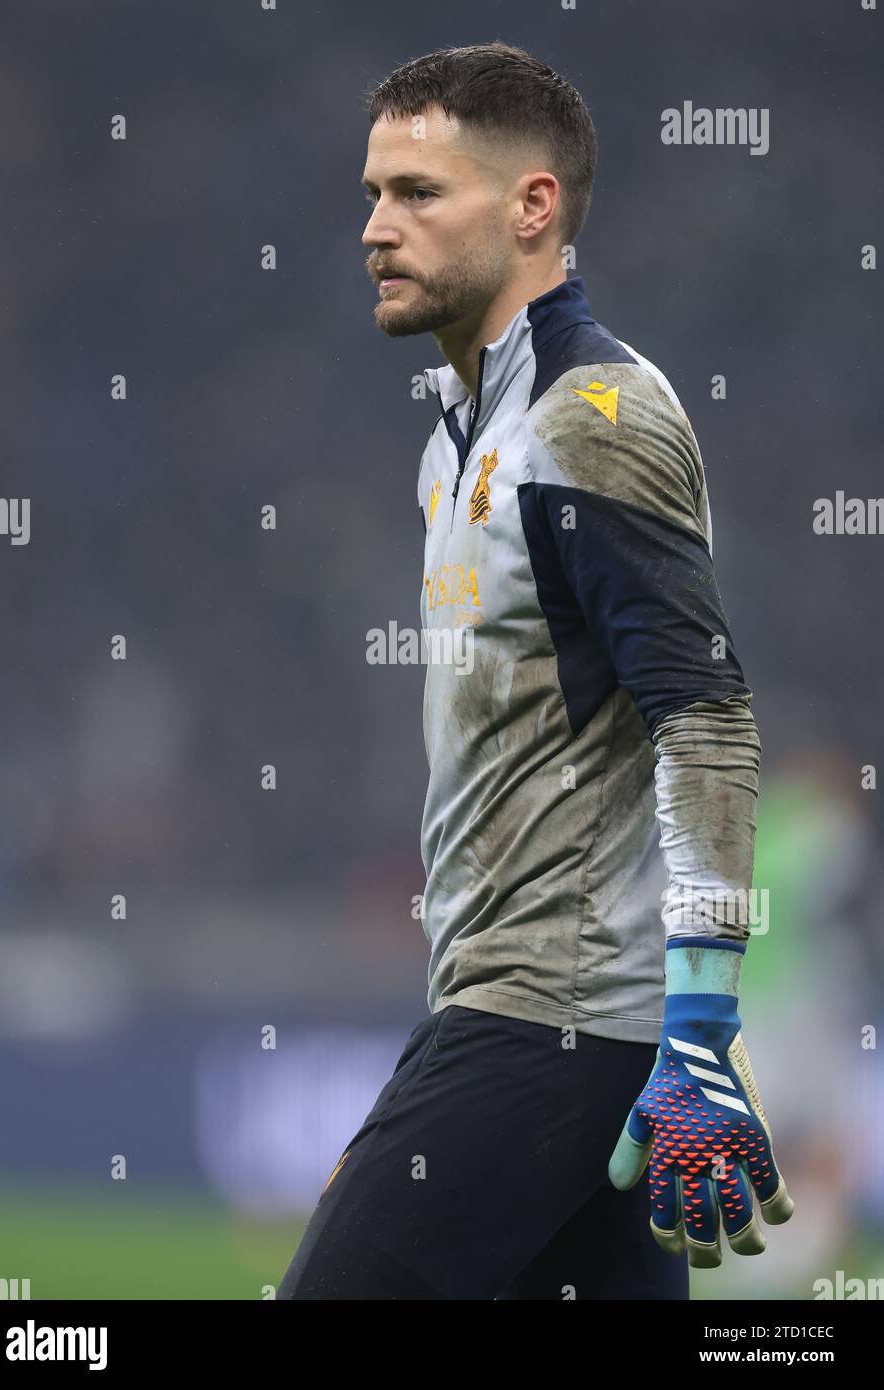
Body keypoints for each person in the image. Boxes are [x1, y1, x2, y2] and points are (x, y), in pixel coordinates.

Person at [278, 40, 793, 1301]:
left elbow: (707, 717)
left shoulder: (589, 418)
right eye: (369, 194)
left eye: (416, 193)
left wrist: (703, 1025)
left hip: (557, 1023)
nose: (374, 227)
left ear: (531, 207)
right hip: (523, 1013)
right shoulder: (456, 443)